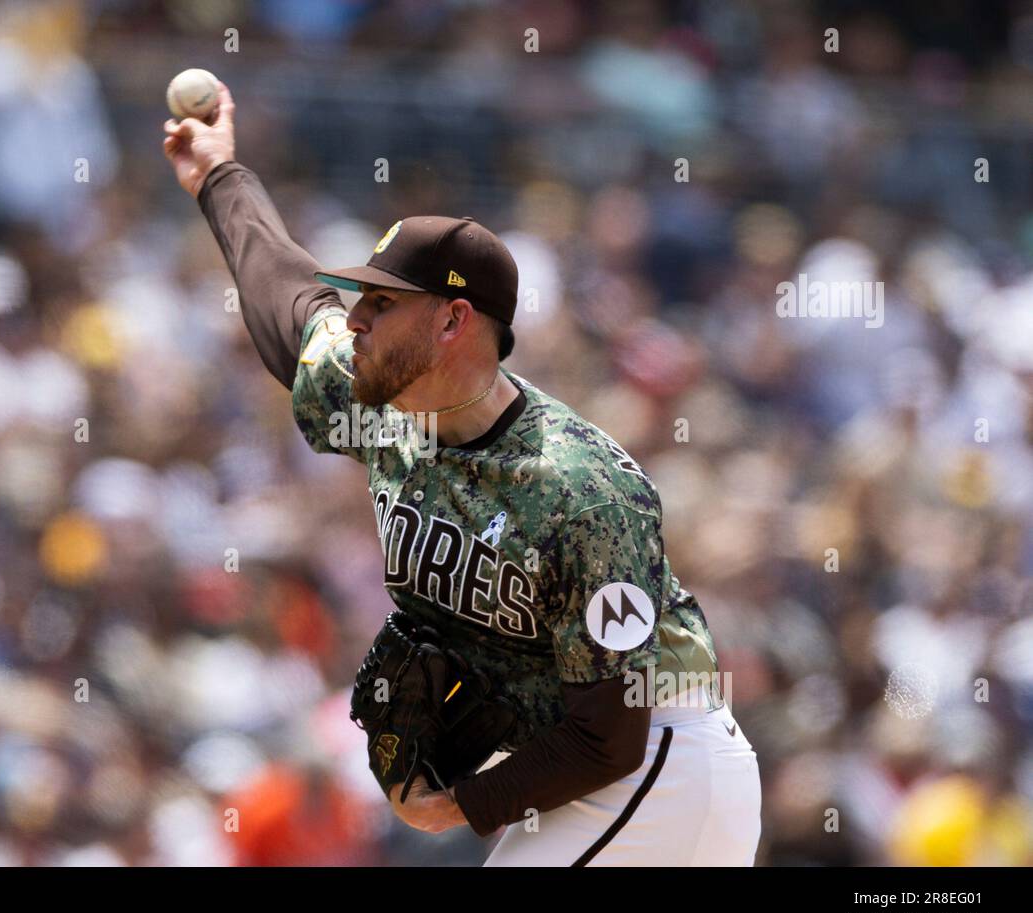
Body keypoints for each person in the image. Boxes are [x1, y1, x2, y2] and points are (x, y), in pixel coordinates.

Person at [163, 83, 761, 866]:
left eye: (381, 303)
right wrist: (220, 175)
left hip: (661, 761)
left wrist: (459, 806)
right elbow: (290, 304)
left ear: (452, 321)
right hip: (581, 777)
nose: (356, 321)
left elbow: (611, 733)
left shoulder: (580, 491)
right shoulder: (382, 400)